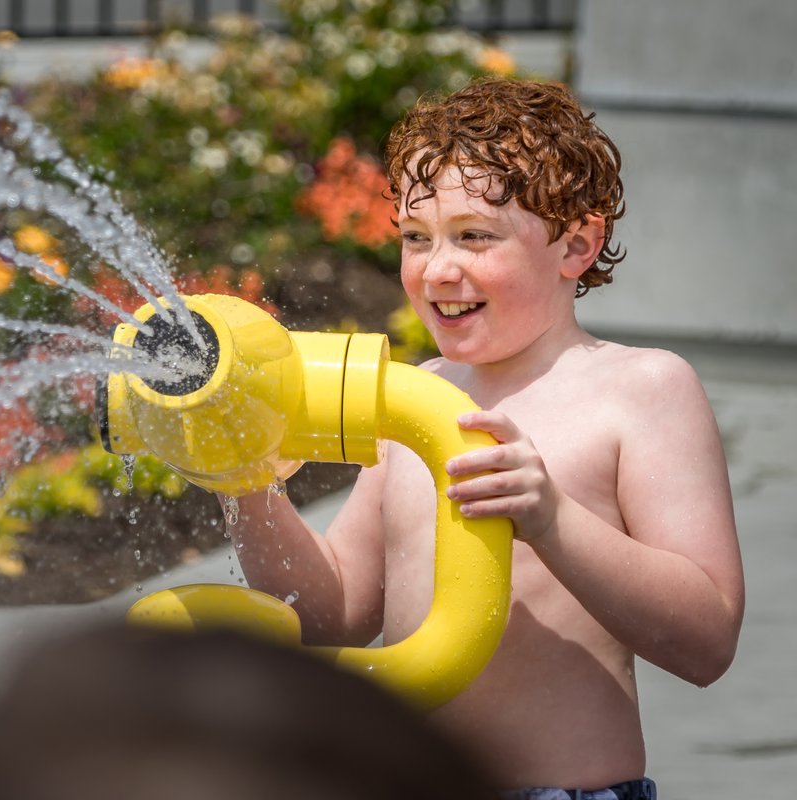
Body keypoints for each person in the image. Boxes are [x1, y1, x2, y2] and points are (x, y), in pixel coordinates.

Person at [223, 77, 744, 799]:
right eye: (415, 238)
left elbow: (707, 639)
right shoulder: (415, 397)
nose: (437, 269)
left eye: (474, 235)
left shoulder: (641, 391)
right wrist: (244, 478)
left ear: (577, 245)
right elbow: (329, 612)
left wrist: (554, 521)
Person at [0, 623, 499, 800]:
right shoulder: (411, 407)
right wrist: (250, 488)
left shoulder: (596, 398)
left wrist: (553, 524)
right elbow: (326, 611)